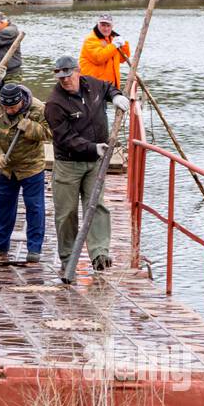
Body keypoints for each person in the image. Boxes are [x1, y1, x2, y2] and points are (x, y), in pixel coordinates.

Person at [43, 55, 131, 271]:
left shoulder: (92, 84)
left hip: (95, 164)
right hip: (69, 164)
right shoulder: (54, 103)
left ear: (78, 71)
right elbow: (65, 138)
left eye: (68, 75)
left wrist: (117, 96)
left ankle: (100, 254)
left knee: (97, 206)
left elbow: (107, 87)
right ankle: (68, 258)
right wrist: (93, 147)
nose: (65, 80)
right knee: (66, 213)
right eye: (61, 77)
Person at [0, 81, 51, 263]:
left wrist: (30, 127)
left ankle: (34, 248)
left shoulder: (37, 108)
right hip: (6, 166)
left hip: (31, 166)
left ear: (21, 102)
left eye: (13, 107)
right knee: (2, 206)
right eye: (6, 107)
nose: (9, 110)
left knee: (34, 207)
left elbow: (50, 133)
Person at [79, 13, 131, 89]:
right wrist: (113, 46)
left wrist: (124, 45)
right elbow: (99, 58)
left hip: (110, 87)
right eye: (103, 25)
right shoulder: (90, 39)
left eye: (108, 25)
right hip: (93, 86)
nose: (106, 28)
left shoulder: (113, 39)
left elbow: (122, 59)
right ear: (98, 25)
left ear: (112, 26)